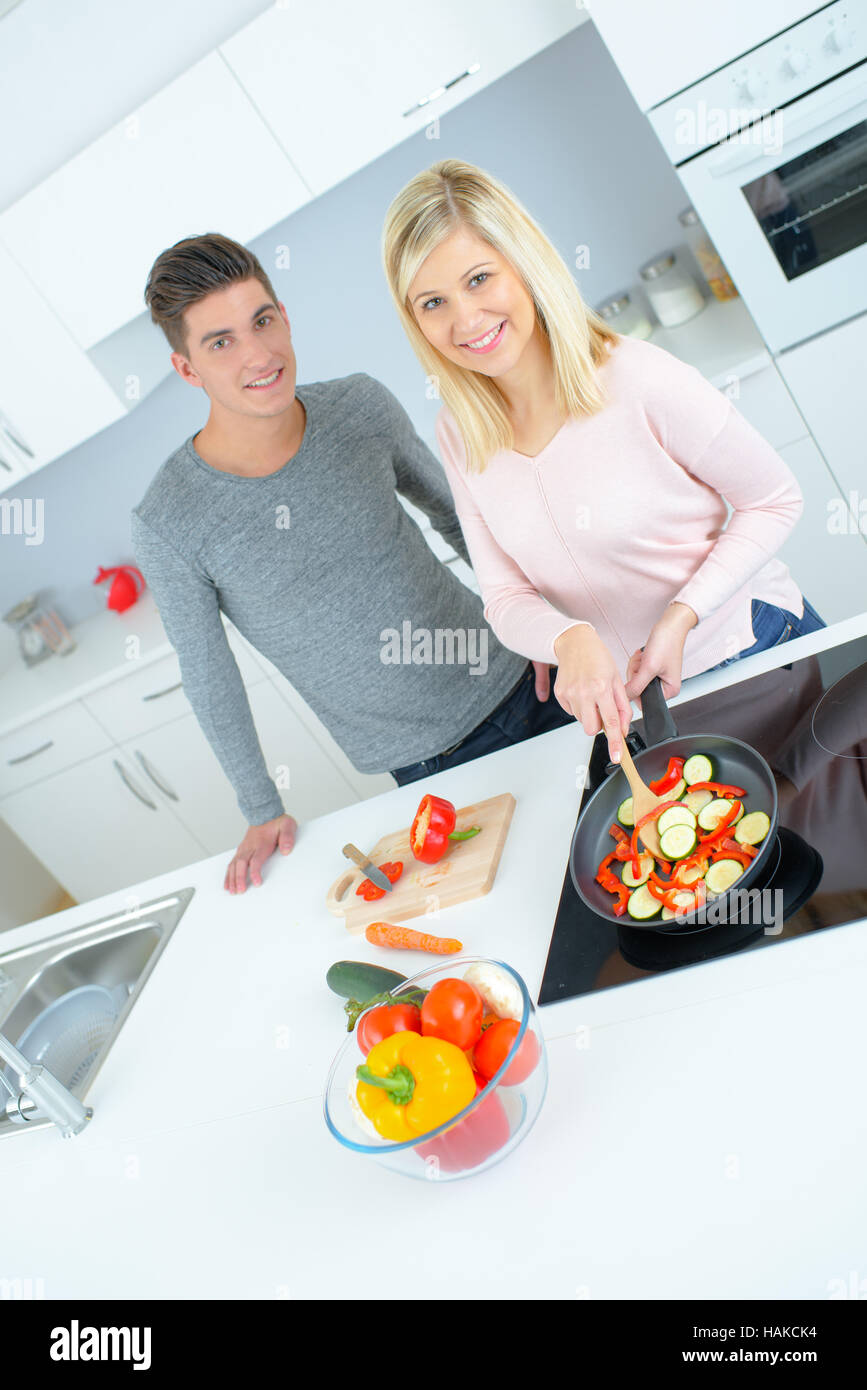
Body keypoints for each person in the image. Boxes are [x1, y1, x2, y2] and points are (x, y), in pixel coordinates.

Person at [131, 233, 572, 893]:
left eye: (263, 321)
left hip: (527, 683)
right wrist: (260, 807)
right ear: (187, 370)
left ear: (285, 317)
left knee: (630, 856)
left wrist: (537, 622)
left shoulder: (359, 408)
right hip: (423, 769)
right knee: (532, 901)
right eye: (220, 342)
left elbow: (459, 519)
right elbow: (208, 672)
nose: (258, 354)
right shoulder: (169, 521)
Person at [380, 159, 826, 763]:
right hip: (645, 711)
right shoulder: (460, 432)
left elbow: (774, 498)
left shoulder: (637, 377)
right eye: (432, 302)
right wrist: (567, 638)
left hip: (754, 654)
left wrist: (680, 616)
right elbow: (505, 597)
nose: (465, 320)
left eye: (480, 279)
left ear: (523, 263)